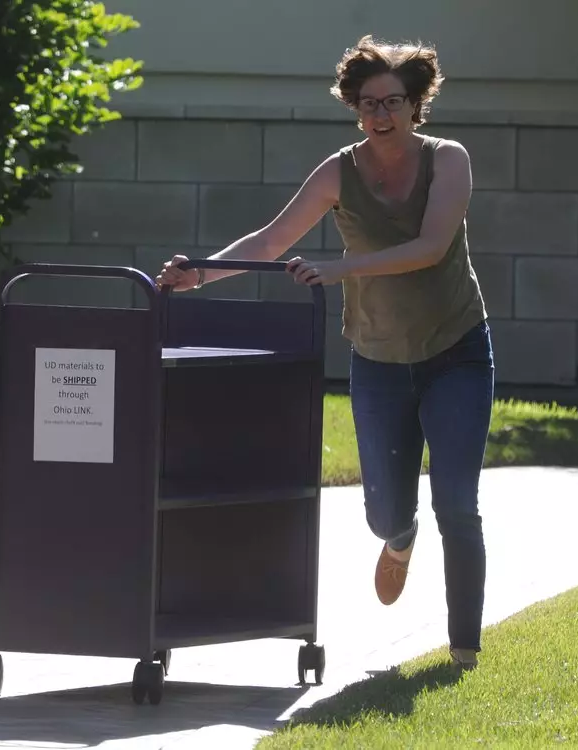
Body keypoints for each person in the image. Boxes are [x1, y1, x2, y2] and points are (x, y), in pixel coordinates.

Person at [155, 34, 493, 672]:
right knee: (384, 512)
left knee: (458, 501)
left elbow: (429, 245)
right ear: (353, 108)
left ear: (416, 103)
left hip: (457, 352)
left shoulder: (449, 160)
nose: (380, 115)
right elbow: (270, 240)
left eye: (393, 101)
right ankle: (399, 540)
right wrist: (195, 274)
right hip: (379, 360)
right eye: (368, 104)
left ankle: (464, 653)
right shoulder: (339, 171)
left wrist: (339, 270)